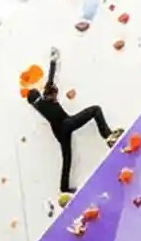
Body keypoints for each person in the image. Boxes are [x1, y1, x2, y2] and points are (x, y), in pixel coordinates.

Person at [26, 47, 123, 194]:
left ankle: (64, 188)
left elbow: (50, 79)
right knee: (95, 110)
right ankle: (107, 135)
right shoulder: (44, 98)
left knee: (67, 157)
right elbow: (50, 77)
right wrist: (53, 59)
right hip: (65, 124)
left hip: (59, 131)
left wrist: (53, 62)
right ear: (38, 95)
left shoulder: (39, 105)